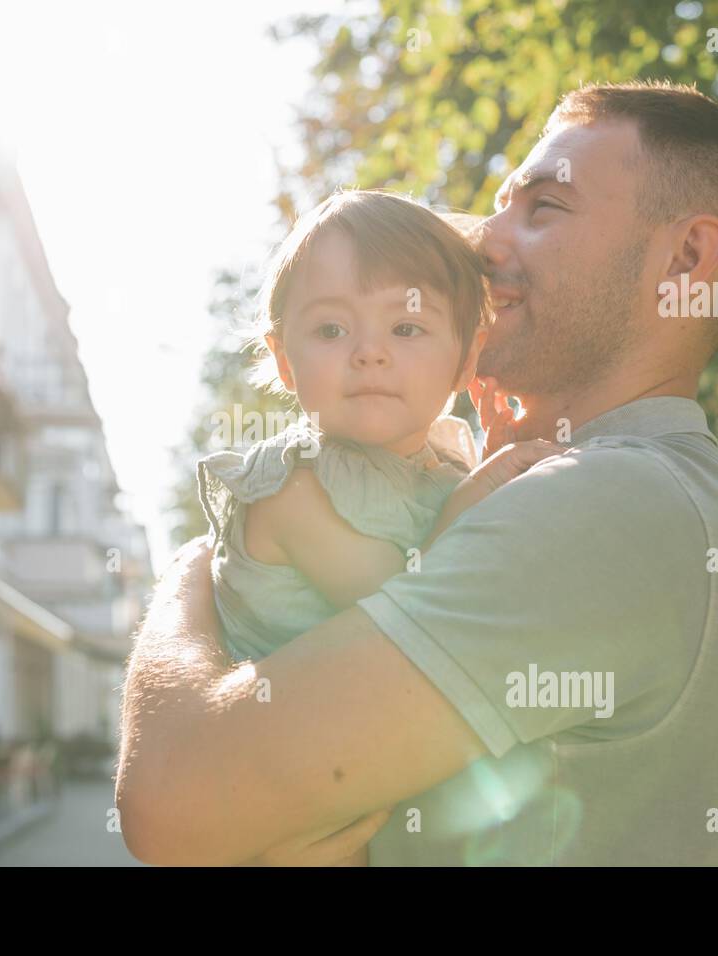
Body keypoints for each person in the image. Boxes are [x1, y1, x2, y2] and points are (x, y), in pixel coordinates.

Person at [117, 79, 718, 866]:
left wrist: (191, 572)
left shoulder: (603, 503)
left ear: (685, 259)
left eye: (543, 208)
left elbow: (171, 805)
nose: (484, 242)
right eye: (495, 208)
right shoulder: (685, 502)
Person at [194, 190, 558, 863]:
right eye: (331, 330)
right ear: (283, 359)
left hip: (374, 781)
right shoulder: (292, 485)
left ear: (468, 354)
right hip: (284, 800)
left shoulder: (446, 457)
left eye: (407, 328)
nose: (369, 353)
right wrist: (470, 502)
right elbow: (407, 607)